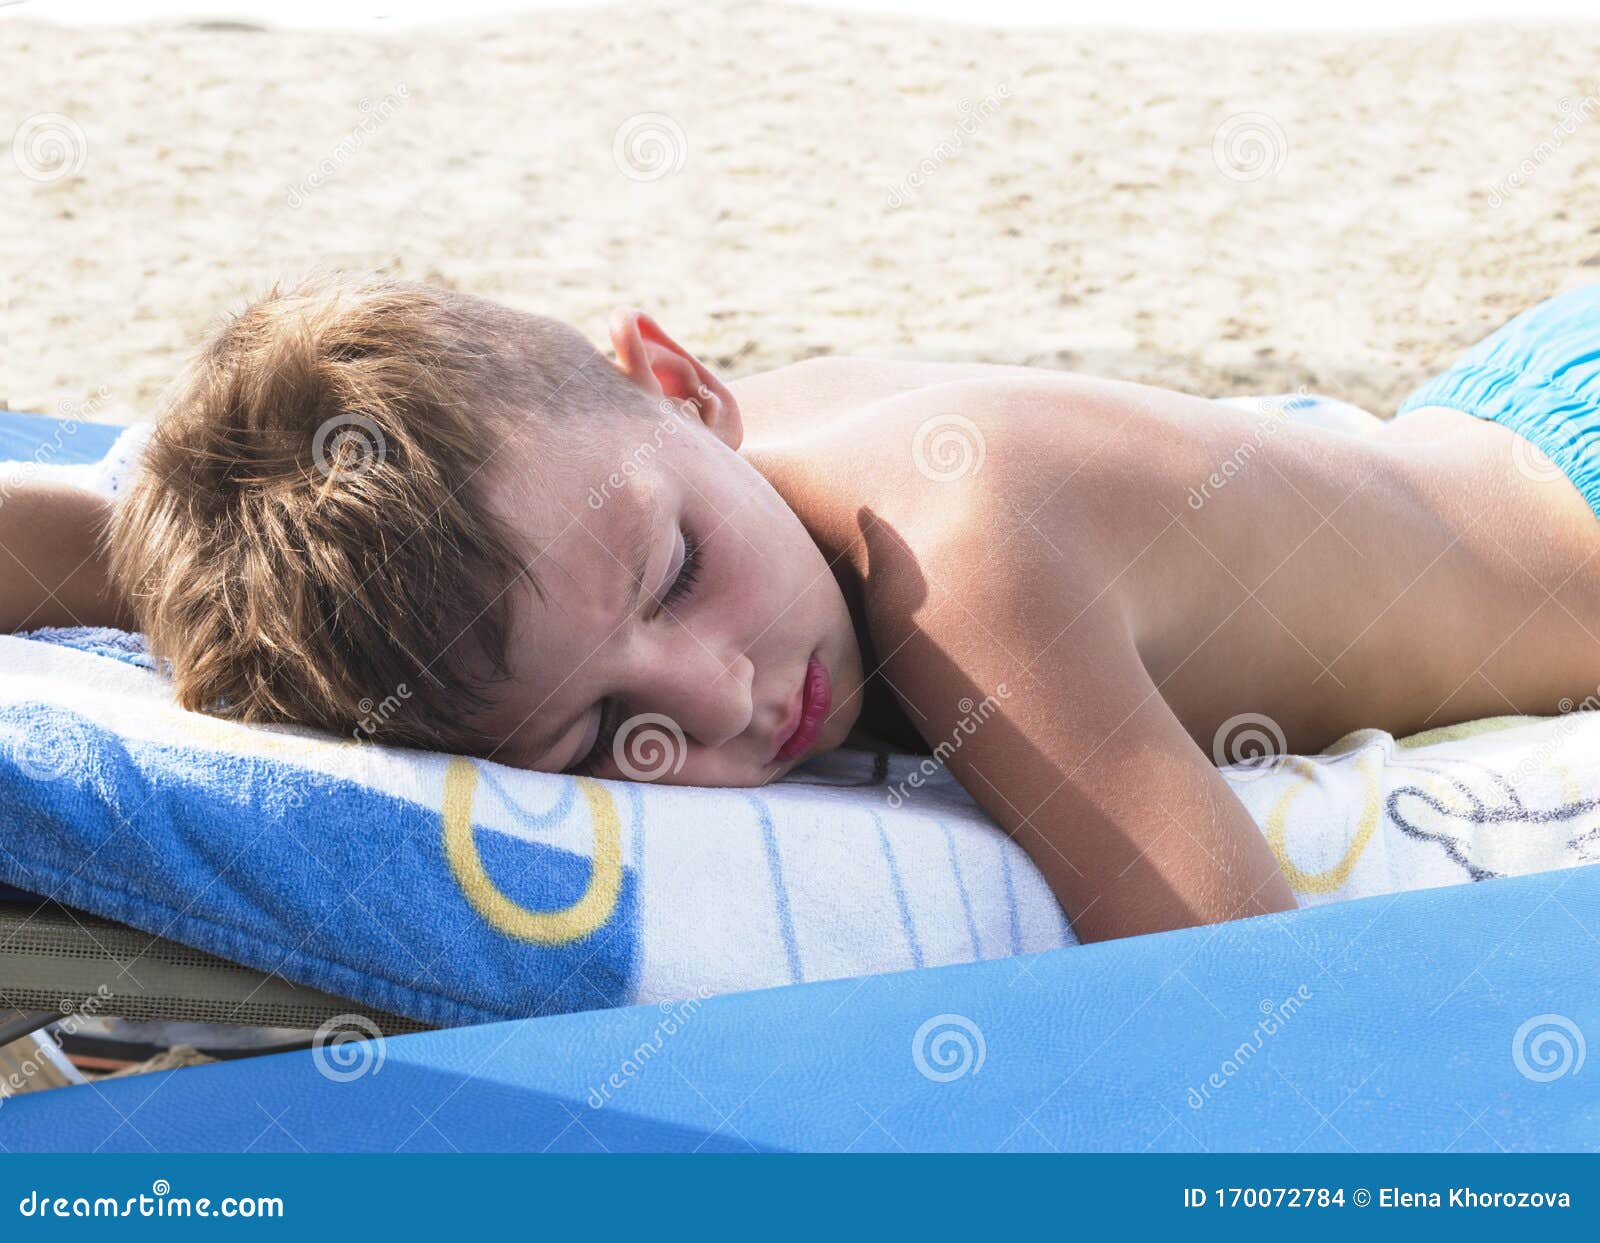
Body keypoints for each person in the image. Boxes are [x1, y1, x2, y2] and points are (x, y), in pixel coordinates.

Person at [23, 275, 1600, 943]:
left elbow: (1239, 982)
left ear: (681, 383)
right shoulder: (590, 498)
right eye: (606, 733)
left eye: (682, 578)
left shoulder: (968, 562)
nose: (717, 699)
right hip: (1449, 427)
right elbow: (118, 533)